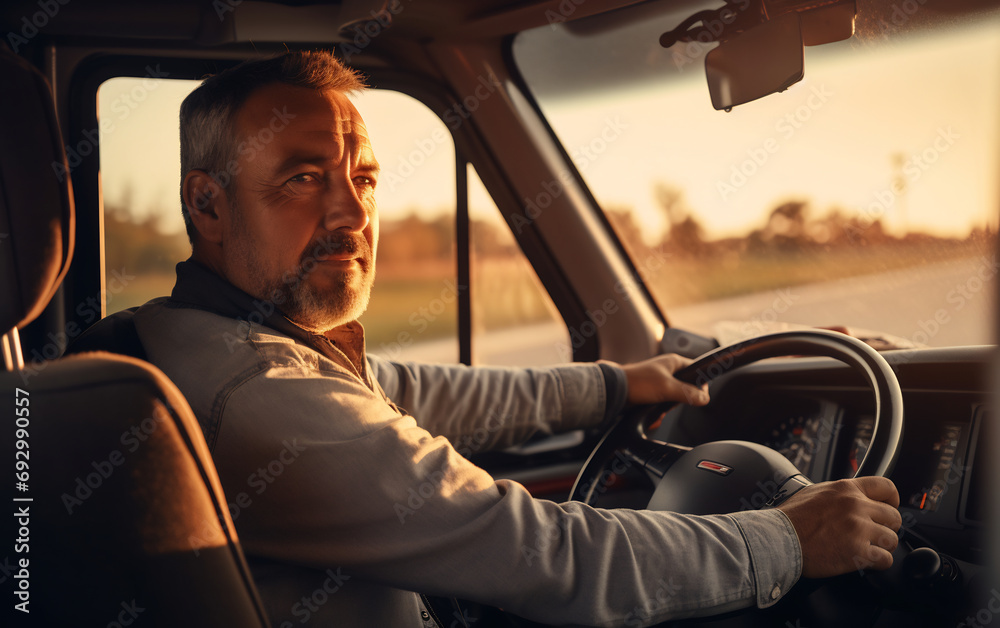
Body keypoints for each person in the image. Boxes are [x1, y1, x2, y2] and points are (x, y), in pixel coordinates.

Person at [126, 51, 901, 627]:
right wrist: (787, 541)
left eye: (363, 179)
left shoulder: (175, 337)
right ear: (209, 203)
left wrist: (617, 386)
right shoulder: (256, 395)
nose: (352, 215)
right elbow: (539, 552)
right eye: (304, 178)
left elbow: (411, 391)